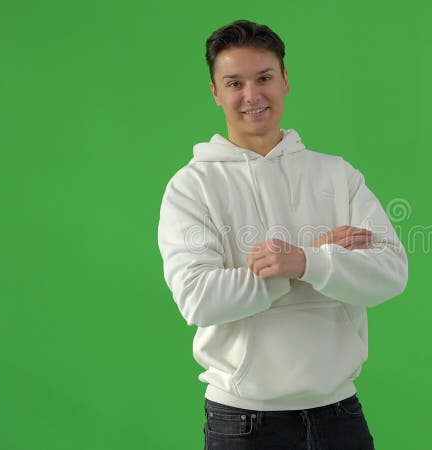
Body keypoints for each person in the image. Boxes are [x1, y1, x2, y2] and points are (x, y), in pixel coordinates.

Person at [157, 19, 408, 449]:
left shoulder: (337, 175)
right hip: (243, 421)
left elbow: (390, 271)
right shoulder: (191, 186)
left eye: (264, 78)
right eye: (234, 83)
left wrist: (309, 261)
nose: (252, 95)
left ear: (285, 81)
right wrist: (301, 265)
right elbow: (198, 298)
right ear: (216, 92)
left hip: (339, 414)